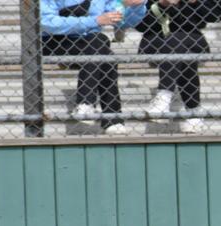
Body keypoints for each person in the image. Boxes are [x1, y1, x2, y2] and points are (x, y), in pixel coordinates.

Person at [42, 0, 149, 135]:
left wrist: (136, 6)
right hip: (53, 41)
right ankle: (112, 119)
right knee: (102, 48)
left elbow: (123, 21)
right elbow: (47, 23)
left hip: (90, 43)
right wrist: (95, 21)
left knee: (103, 48)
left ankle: (86, 104)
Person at [136, 0, 221, 135]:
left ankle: (163, 99)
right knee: (181, 49)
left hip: (191, 35)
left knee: (181, 45)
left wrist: (195, 2)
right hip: (156, 37)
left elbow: (219, 13)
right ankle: (194, 112)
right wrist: (162, 4)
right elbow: (139, 24)